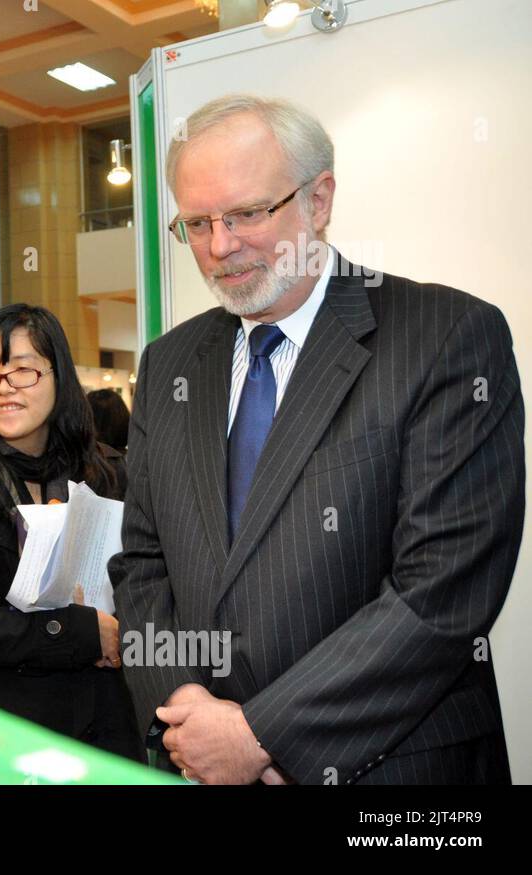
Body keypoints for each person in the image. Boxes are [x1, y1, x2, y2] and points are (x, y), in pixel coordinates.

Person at [110, 94, 523, 785]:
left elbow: (441, 592)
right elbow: (143, 564)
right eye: (197, 224)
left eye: (245, 213)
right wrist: (182, 705)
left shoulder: (444, 336)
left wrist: (261, 734)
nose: (219, 247)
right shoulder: (169, 365)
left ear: (319, 199)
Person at [0, 304, 141, 758]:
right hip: (3, 727)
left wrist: (125, 631)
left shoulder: (110, 470)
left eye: (22, 371)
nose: (4, 390)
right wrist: (79, 632)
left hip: (107, 717)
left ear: (57, 374)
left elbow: (150, 580)